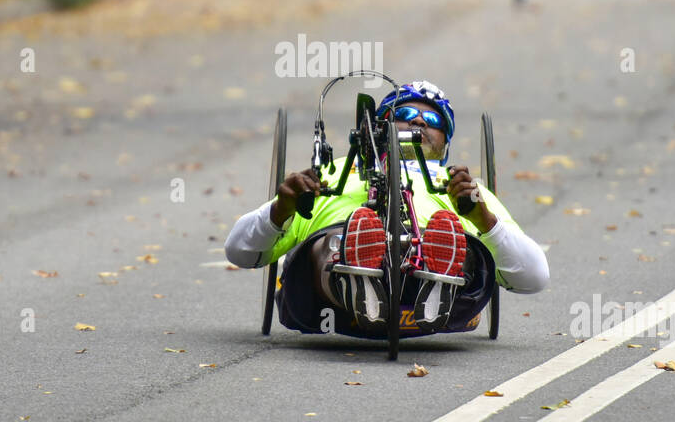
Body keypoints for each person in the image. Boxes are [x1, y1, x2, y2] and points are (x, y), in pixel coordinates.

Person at [224, 81, 549, 334]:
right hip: (329, 294)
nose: (419, 120)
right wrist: (281, 208)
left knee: (459, 241)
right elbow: (239, 251)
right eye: (405, 115)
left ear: (444, 144)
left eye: (433, 120)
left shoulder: (461, 187)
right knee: (336, 238)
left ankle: (435, 283)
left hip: (440, 284)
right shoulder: (330, 174)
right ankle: (357, 282)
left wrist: (484, 219)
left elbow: (533, 277)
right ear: (375, 128)